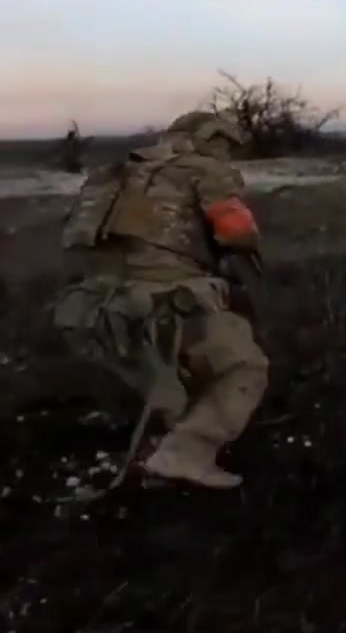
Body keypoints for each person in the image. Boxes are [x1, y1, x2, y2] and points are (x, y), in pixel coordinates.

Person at [50, 111, 269, 489]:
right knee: (242, 367)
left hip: (91, 308)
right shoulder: (206, 169)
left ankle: (154, 457)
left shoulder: (110, 174)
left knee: (172, 383)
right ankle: (183, 456)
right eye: (226, 145)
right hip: (167, 301)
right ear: (210, 139)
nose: (228, 154)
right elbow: (237, 232)